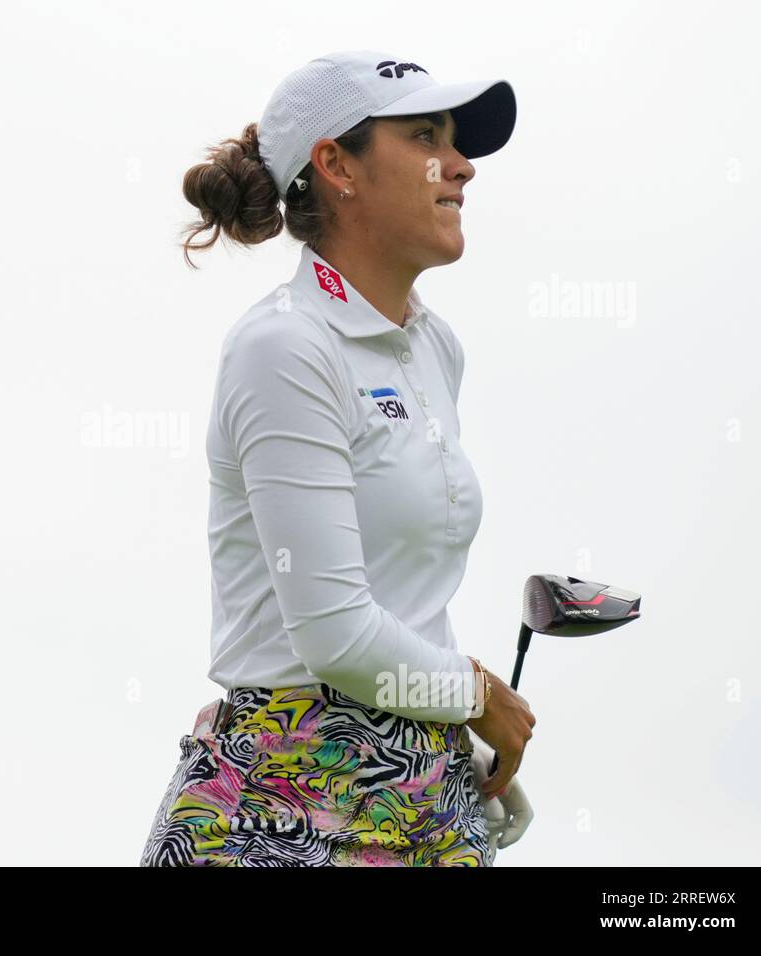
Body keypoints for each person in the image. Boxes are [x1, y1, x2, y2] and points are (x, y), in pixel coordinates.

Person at [140, 51, 535, 866]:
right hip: (275, 815)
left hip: (422, 800)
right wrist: (476, 699)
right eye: (427, 135)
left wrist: (452, 744)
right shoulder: (283, 346)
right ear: (336, 166)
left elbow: (406, 602)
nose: (460, 166)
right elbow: (334, 635)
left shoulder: (434, 348)